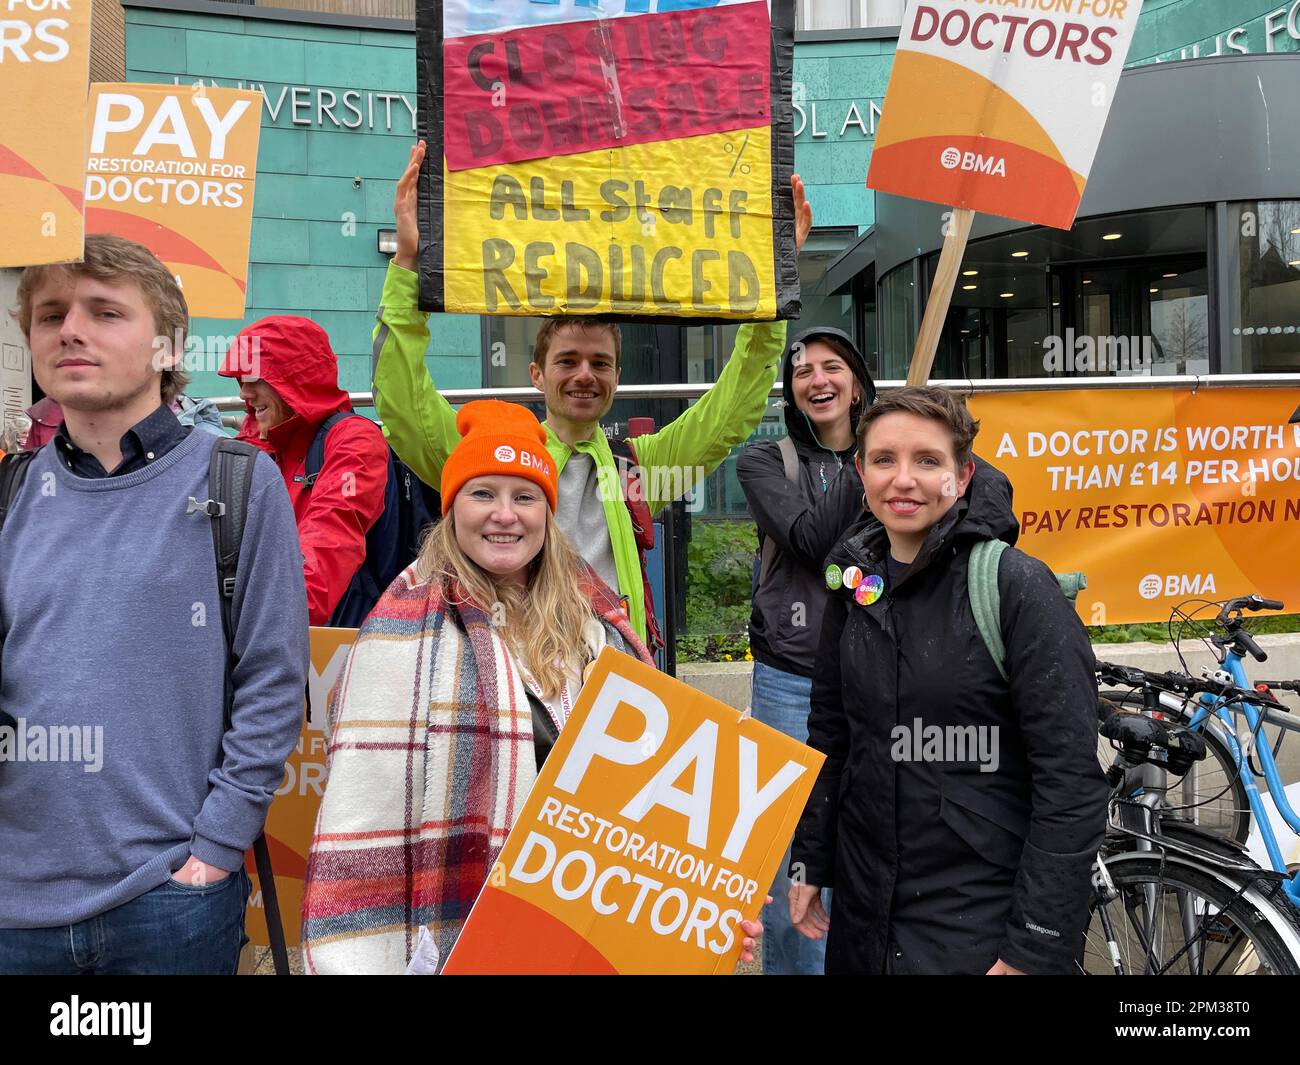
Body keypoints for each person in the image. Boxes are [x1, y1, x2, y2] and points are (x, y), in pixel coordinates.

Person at [301, 400, 764, 973]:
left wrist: (706, 909)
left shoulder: (596, 623)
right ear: (451, 509)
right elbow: (360, 831)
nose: (505, 515)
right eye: (482, 493)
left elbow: (654, 812)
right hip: (463, 938)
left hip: (582, 933)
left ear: (547, 511)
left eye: (524, 496)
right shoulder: (398, 637)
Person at [0, 233, 309, 975]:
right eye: (49, 316)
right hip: (15, 909)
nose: (69, 329)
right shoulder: (11, 491)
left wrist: (215, 847)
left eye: (105, 312)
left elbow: (273, 680)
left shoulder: (238, 482)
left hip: (170, 900)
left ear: (168, 345)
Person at [370, 140, 812, 647]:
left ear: (617, 376)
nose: (585, 375)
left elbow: (733, 407)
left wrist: (777, 288)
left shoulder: (639, 470)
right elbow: (402, 399)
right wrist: (407, 263)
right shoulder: (491, 458)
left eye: (600, 363)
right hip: (519, 683)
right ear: (537, 374)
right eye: (567, 362)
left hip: (614, 686)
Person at [788, 386, 1108, 975]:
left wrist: (1033, 949)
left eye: (927, 460)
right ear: (861, 472)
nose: (903, 479)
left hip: (975, 926)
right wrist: (810, 861)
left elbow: (1070, 784)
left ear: (962, 477)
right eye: (884, 460)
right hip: (863, 919)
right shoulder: (855, 585)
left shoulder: (1016, 589)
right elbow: (832, 735)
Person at [735, 327, 875, 974]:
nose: (817, 379)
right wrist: (867, 461)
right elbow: (813, 538)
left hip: (879, 673)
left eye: (832, 366)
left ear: (857, 379)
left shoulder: (894, 452)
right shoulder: (767, 461)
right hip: (793, 678)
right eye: (802, 371)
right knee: (792, 838)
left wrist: (887, 451)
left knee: (870, 826)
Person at [217, 315, 390, 626]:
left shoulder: (354, 440)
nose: (244, 393)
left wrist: (265, 623)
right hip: (260, 628)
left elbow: (332, 536)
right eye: (242, 380)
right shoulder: (255, 441)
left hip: (324, 636)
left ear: (294, 379)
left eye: (256, 378)